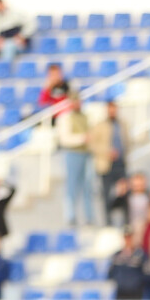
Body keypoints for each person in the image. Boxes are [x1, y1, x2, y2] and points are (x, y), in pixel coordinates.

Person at [56, 94, 96, 227]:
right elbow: (64, 139)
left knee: (87, 187)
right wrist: (82, 138)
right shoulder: (65, 118)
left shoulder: (85, 116)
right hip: (72, 153)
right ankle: (70, 216)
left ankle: (89, 217)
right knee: (71, 187)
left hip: (86, 153)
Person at [89, 100, 130, 213]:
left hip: (120, 163)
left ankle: (125, 221)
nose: (112, 111)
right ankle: (108, 223)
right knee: (107, 194)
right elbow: (93, 145)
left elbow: (127, 142)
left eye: (114, 109)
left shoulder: (122, 124)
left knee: (125, 192)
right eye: (110, 109)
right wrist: (107, 152)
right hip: (106, 164)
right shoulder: (100, 125)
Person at [109, 227, 146, 300]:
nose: (128, 241)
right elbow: (110, 273)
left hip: (136, 293)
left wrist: (137, 282)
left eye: (130, 238)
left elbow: (147, 274)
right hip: (121, 292)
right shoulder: (117, 255)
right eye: (126, 238)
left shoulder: (140, 255)